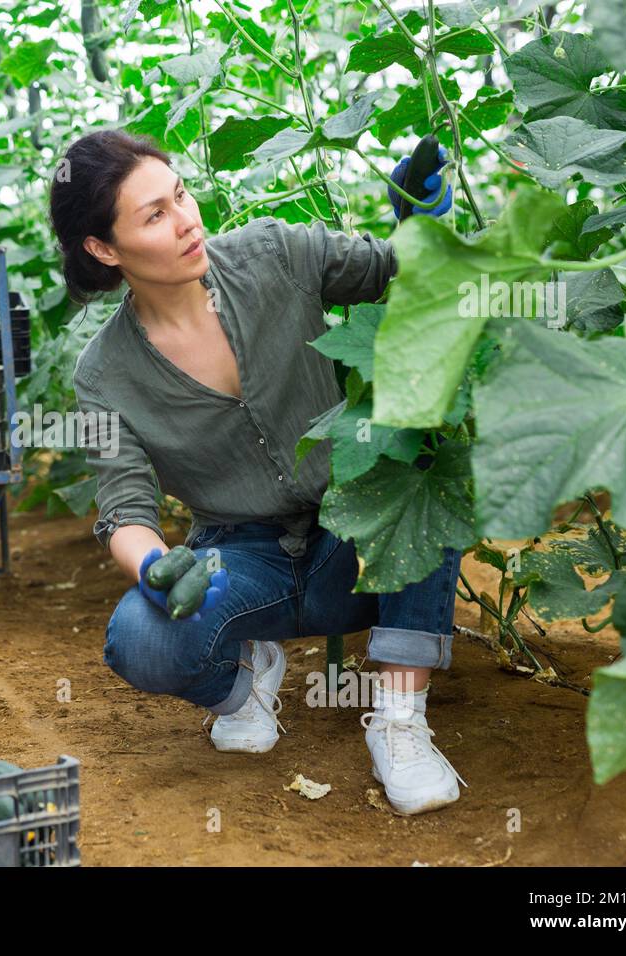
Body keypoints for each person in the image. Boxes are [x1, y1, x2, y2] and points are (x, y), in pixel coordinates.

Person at [51, 128, 467, 815]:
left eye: (179, 194)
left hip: (355, 535)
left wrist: (419, 222)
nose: (187, 221)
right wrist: (158, 567)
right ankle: (245, 678)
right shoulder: (104, 373)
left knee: (422, 479)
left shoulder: (275, 253)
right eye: (155, 215)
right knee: (140, 638)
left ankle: (399, 721)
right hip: (240, 561)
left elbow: (396, 269)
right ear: (104, 248)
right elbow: (124, 505)